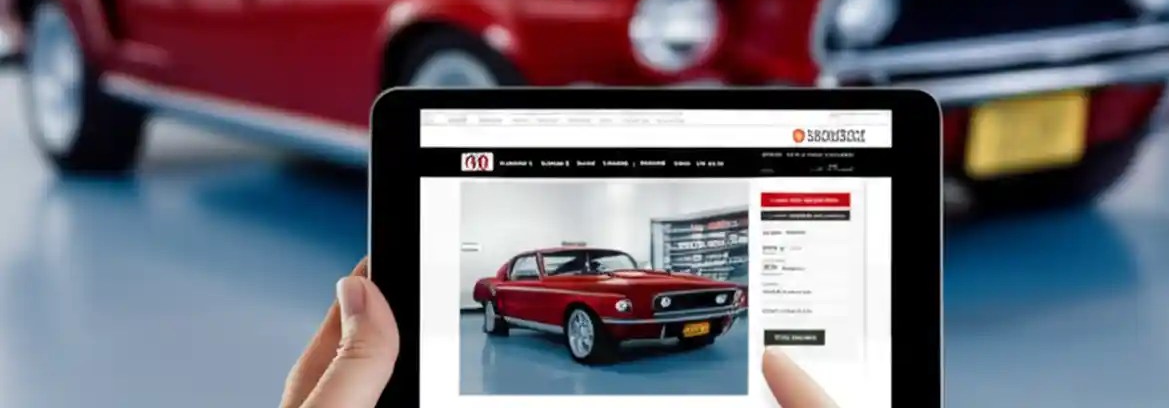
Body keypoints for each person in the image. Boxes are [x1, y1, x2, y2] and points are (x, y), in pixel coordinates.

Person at [281, 260, 839, 408]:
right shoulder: (531, 279)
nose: (600, 267)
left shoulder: (636, 278)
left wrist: (703, 314)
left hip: (663, 311)